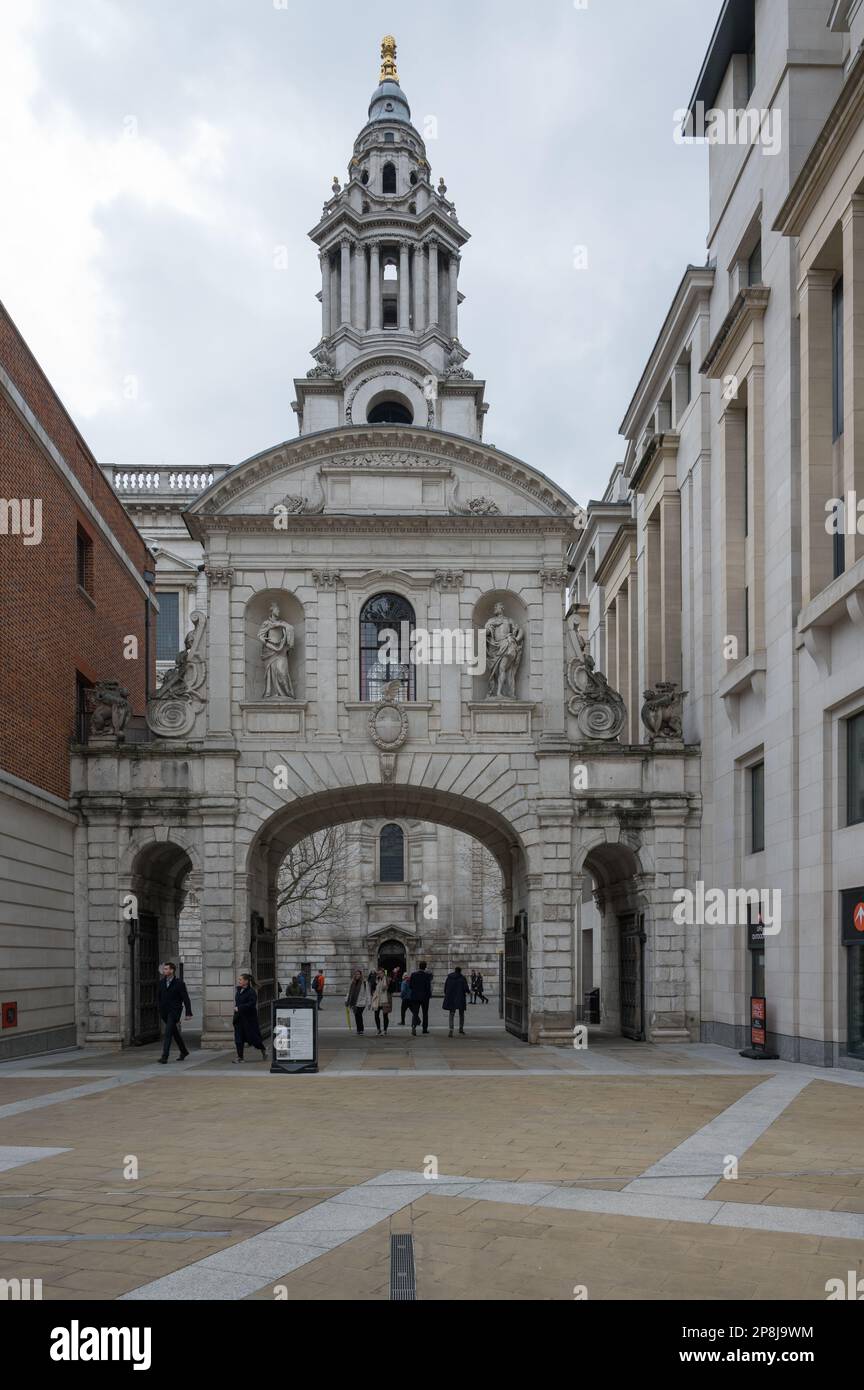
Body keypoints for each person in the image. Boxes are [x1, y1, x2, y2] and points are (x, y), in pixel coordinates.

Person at [157, 962, 192, 1063]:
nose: (164, 971)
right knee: (174, 1032)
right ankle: (184, 1051)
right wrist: (159, 1009)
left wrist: (188, 1012)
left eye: (166, 969)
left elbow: (186, 999)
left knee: (168, 1033)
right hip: (164, 1012)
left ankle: (164, 1057)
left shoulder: (179, 983)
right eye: (164, 969)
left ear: (172, 970)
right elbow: (158, 997)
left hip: (174, 1011)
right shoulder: (161, 982)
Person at [233, 973, 266, 1064]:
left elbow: (251, 1004)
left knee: (254, 1038)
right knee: (238, 1038)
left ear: (246, 981)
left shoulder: (251, 992)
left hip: (249, 1020)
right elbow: (238, 1002)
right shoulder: (238, 991)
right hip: (239, 1019)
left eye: (240, 979)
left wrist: (240, 1008)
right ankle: (240, 1057)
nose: (239, 981)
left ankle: (263, 1050)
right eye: (239, 979)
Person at [443, 965, 470, 1036]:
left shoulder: (449, 977)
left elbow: (445, 988)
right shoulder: (462, 978)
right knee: (461, 1014)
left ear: (455, 970)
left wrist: (447, 994)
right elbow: (466, 988)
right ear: (460, 971)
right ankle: (461, 1029)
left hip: (451, 998)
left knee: (451, 1014)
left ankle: (451, 1029)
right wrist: (468, 992)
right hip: (460, 998)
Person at [409, 960, 433, 1036]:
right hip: (425, 997)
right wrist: (429, 995)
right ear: (425, 967)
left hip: (415, 997)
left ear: (419, 966)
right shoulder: (427, 976)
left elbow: (410, 986)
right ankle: (424, 1029)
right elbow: (428, 987)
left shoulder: (413, 974)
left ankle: (413, 1027)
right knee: (425, 1013)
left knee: (415, 1013)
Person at [371, 969, 392, 1035]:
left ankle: (385, 1029)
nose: (379, 974)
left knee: (385, 1015)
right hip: (377, 999)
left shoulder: (388, 979)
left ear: (384, 973)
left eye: (381, 973)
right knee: (376, 1015)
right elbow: (372, 988)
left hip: (385, 999)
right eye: (378, 973)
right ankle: (378, 1029)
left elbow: (392, 989)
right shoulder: (376, 980)